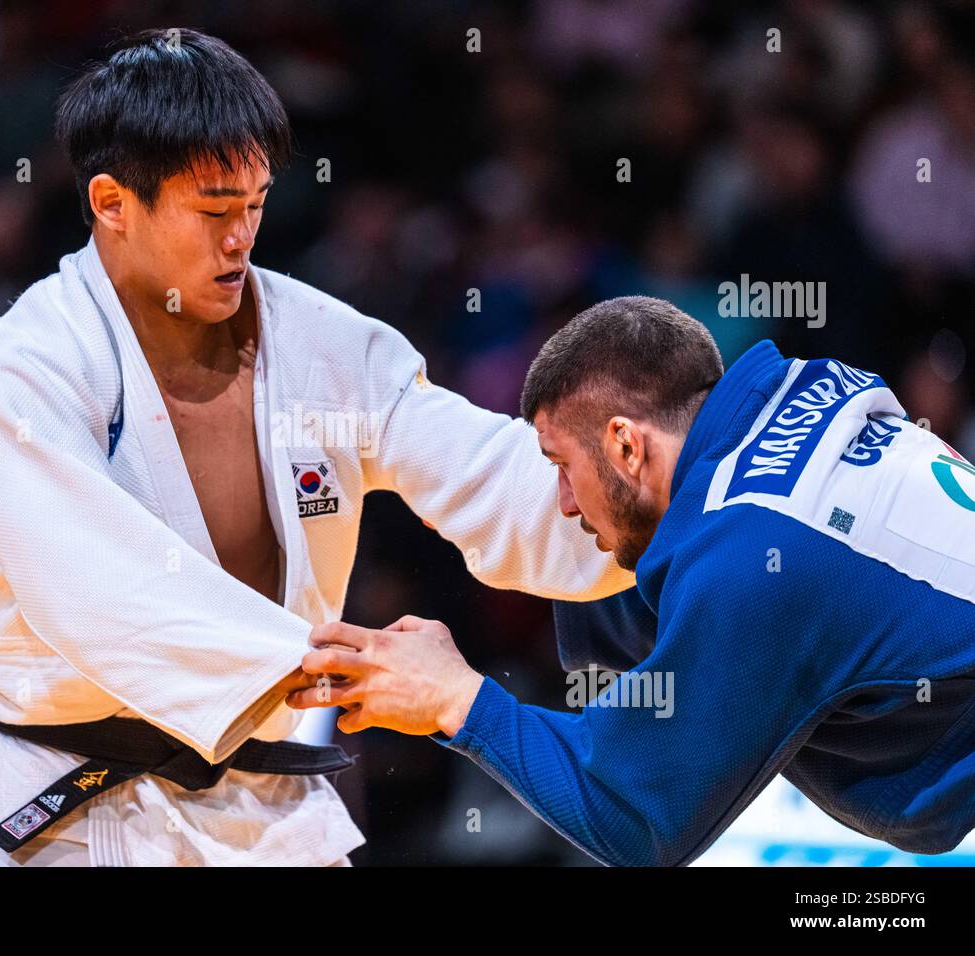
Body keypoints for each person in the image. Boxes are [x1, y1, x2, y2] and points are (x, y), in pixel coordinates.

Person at [0, 29, 631, 867]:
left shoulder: (323, 349)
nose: (241, 238)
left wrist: (653, 504)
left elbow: (492, 476)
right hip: (67, 816)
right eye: (212, 211)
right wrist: (346, 665)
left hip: (262, 812)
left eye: (256, 205)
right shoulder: (30, 373)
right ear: (113, 203)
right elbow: (100, 595)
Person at [289, 296, 975, 866]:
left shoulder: (755, 560)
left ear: (624, 443)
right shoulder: (805, 389)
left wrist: (457, 699)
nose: (560, 498)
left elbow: (638, 824)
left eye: (561, 463)